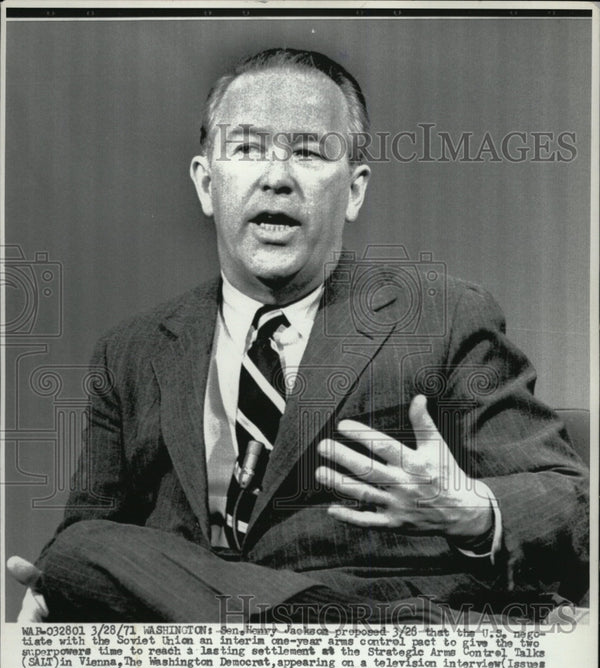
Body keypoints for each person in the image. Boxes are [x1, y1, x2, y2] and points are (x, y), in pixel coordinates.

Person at [8, 48, 588, 624]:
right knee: (79, 550)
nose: (277, 178)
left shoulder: (442, 317)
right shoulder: (130, 353)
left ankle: (335, 634)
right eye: (247, 149)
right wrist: (55, 588)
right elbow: (89, 547)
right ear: (207, 184)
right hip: (212, 667)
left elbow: (570, 507)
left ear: (355, 190)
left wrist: (471, 511)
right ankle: (338, 628)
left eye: (308, 152)